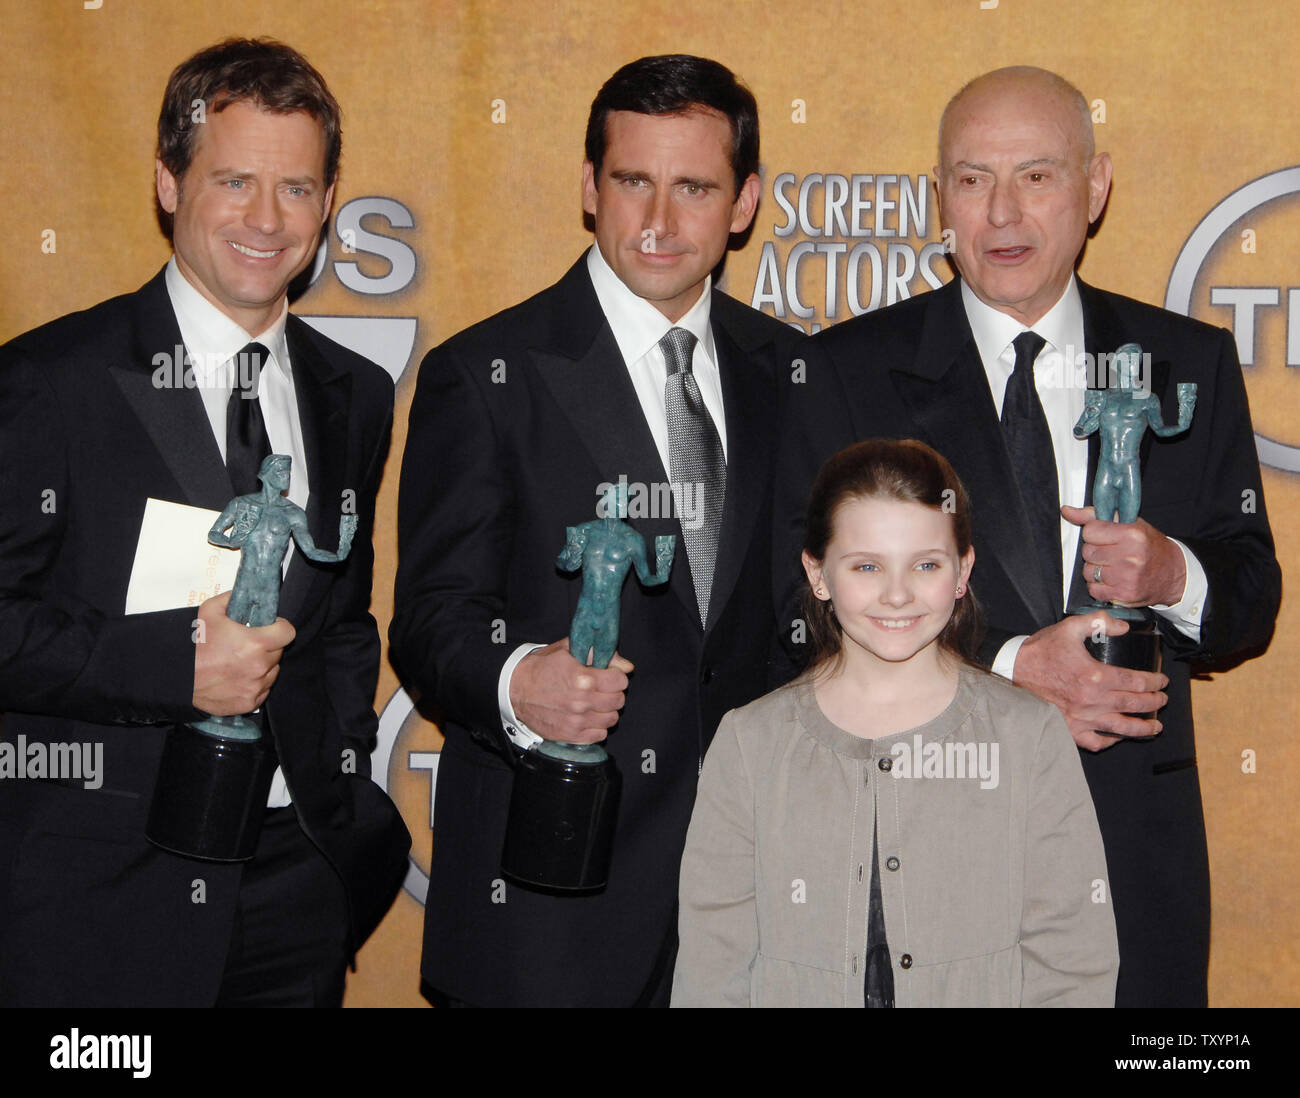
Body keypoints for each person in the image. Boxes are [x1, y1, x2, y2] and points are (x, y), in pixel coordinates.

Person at [776, 66, 1280, 1007]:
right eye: (972, 179)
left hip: (1134, 855)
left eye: (1038, 176)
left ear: (1095, 190)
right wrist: (1006, 667)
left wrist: (1176, 574)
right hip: (916, 843)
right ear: (941, 197)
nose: (1002, 212)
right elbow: (792, 611)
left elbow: (1250, 599)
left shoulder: (1190, 361)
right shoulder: (842, 373)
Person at [0, 38, 410, 1006]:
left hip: (294, 884)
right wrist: (172, 666)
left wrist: (338, 776)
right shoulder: (50, 383)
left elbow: (341, 618)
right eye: (234, 180)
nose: (267, 220)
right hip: (96, 889)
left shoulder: (352, 390)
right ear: (167, 185)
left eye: (298, 188)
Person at [390, 54, 805, 1007]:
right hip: (548, 910)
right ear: (589, 187)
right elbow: (432, 618)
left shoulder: (796, 376)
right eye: (632, 182)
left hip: (756, 911)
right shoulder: (487, 374)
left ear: (743, 203)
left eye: (694, 187)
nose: (660, 221)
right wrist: (514, 678)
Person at [675, 440, 1118, 1007]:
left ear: (964, 572)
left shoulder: (1028, 737)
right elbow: (713, 972)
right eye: (866, 566)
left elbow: (1073, 961)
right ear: (817, 574)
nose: (897, 594)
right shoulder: (748, 745)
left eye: (926, 564)